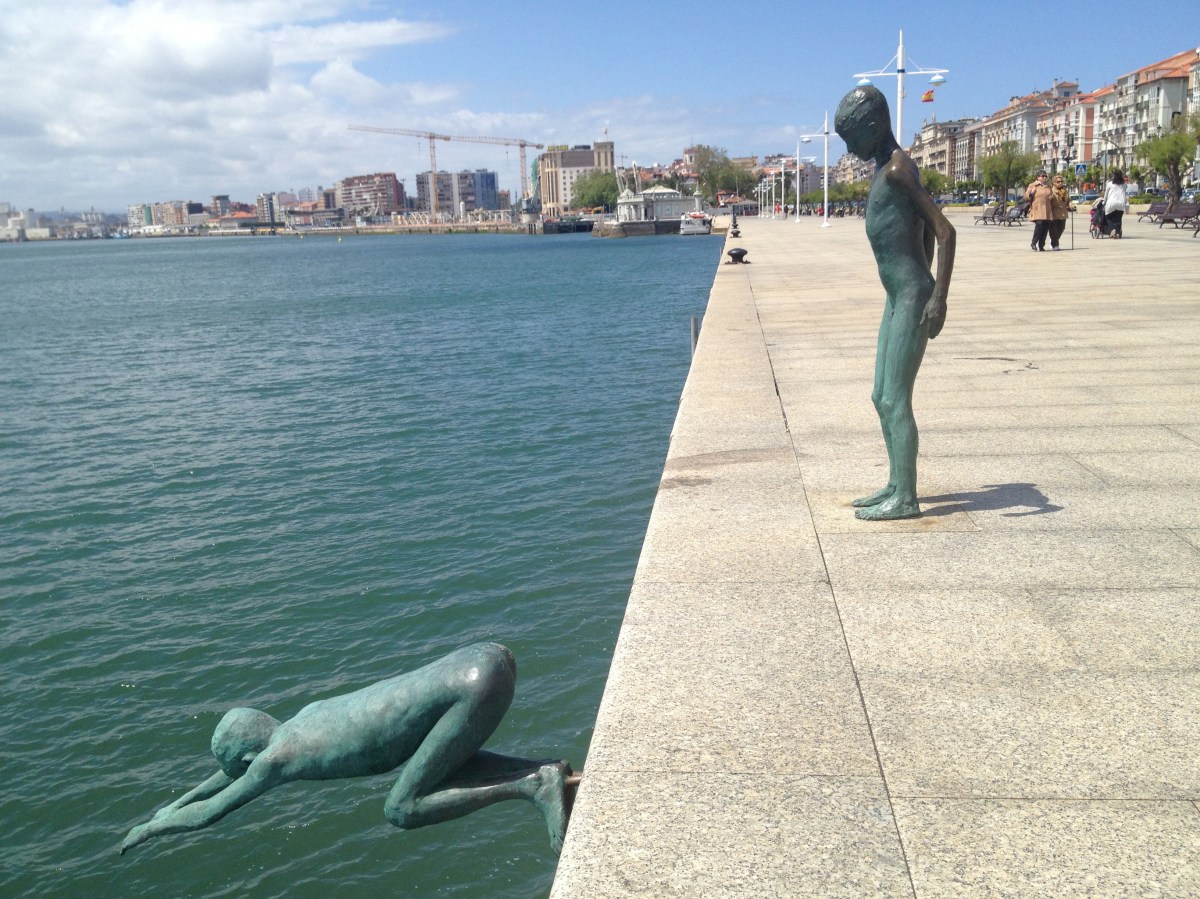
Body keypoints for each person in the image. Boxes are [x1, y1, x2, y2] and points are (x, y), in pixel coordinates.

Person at [120, 643, 574, 856]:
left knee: (401, 807)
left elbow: (211, 810)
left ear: (249, 759)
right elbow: (227, 776)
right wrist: (169, 806)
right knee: (432, 760)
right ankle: (541, 775)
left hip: (470, 691)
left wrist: (150, 829)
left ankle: (533, 785)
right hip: (481, 659)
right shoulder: (302, 718)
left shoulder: (275, 761)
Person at [834, 85, 956, 520]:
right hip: (896, 296)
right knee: (878, 395)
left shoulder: (899, 170)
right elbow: (921, 229)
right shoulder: (884, 168)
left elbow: (944, 231)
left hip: (911, 297)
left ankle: (906, 497)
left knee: (896, 398)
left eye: (851, 138)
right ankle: (895, 481)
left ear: (873, 126)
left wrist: (937, 296)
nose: (849, 149)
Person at [1024, 170, 1055, 251]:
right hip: (1037, 209)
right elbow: (1026, 197)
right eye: (1042, 176)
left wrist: (1052, 197)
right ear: (1038, 177)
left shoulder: (1049, 186)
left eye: (1045, 176)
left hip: (1047, 210)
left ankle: (1041, 245)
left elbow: (1052, 195)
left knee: (1045, 228)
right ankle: (1033, 243)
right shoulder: (1033, 185)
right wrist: (1031, 193)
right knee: (1039, 225)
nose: (1044, 177)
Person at [1101, 170, 1129, 238]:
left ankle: (1112, 230)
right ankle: (1117, 233)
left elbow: (1106, 195)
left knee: (1108, 218)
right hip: (1121, 203)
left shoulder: (1110, 184)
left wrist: (1104, 202)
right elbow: (1124, 192)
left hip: (1111, 203)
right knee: (1118, 219)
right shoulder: (1124, 184)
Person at [1049, 174, 1073, 250]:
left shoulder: (1064, 191)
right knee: (1053, 230)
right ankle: (1055, 245)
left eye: (1061, 181)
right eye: (1058, 182)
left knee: (1061, 228)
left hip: (1063, 212)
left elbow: (1068, 200)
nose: (1060, 183)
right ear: (1053, 183)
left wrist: (1070, 204)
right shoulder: (1051, 190)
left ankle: (1053, 241)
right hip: (1054, 213)